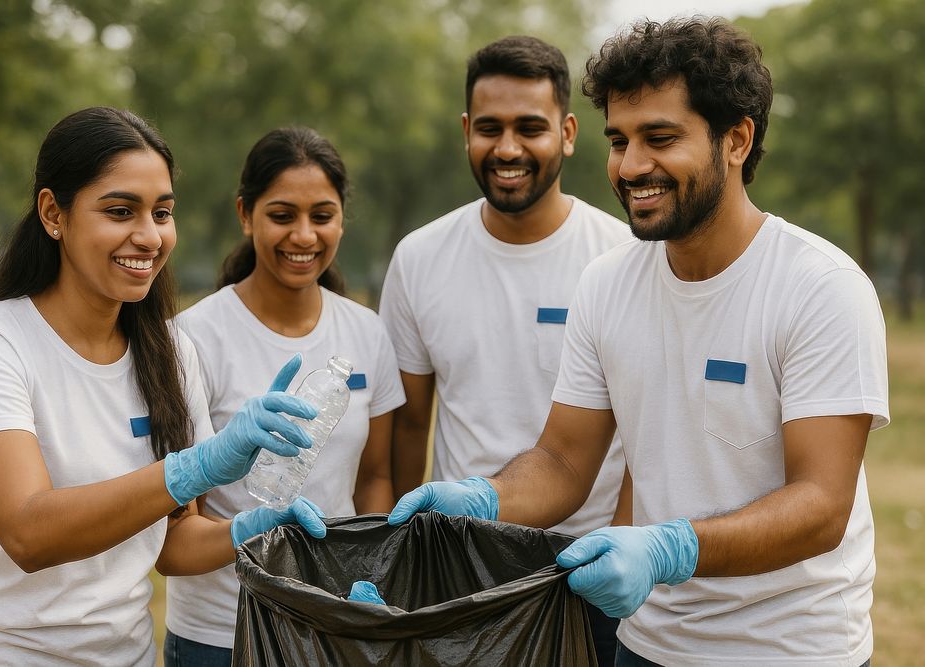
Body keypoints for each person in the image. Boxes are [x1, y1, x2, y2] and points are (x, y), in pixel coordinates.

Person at [389, 17, 889, 666]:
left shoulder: (820, 287)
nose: (630, 166)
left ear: (736, 139)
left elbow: (821, 505)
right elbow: (566, 464)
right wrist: (483, 497)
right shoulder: (605, 285)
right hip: (645, 644)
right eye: (619, 140)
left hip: (790, 649)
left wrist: (668, 548)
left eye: (659, 138)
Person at [0, 107, 327, 666]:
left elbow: (171, 544)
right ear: (53, 213)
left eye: (162, 212)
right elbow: (27, 533)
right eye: (120, 211)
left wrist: (251, 530)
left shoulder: (171, 355)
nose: (149, 236)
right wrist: (193, 468)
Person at [378, 35, 630, 662]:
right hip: (460, 562)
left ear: (568, 132)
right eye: (489, 128)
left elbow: (646, 434)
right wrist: (406, 554)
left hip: (589, 564)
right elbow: (409, 424)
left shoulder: (626, 257)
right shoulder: (419, 257)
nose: (508, 148)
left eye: (530, 127)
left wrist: (625, 545)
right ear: (466, 130)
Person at [164, 126, 405, 664]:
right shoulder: (193, 338)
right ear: (245, 214)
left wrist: (369, 571)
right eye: (281, 215)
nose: (303, 235)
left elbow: (375, 478)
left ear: (342, 217)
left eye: (322, 215)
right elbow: (175, 535)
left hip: (335, 624)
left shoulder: (367, 332)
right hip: (223, 633)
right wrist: (250, 534)